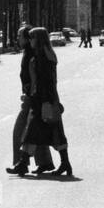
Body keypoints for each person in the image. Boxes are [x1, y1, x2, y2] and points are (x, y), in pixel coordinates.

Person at [21, 26, 72, 178]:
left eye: (32, 38)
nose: (30, 41)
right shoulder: (45, 54)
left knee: (33, 132)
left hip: (44, 100)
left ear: (38, 39)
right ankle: (65, 163)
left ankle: (23, 164)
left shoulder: (42, 57)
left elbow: (46, 82)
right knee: (54, 133)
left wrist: (45, 101)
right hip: (47, 99)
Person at [6, 26, 54, 176]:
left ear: (28, 39)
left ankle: (22, 163)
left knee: (21, 130)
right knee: (35, 130)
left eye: (20, 36)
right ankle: (44, 162)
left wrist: (29, 92)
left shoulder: (34, 54)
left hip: (35, 98)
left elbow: (38, 78)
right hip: (35, 97)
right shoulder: (30, 52)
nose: (18, 39)